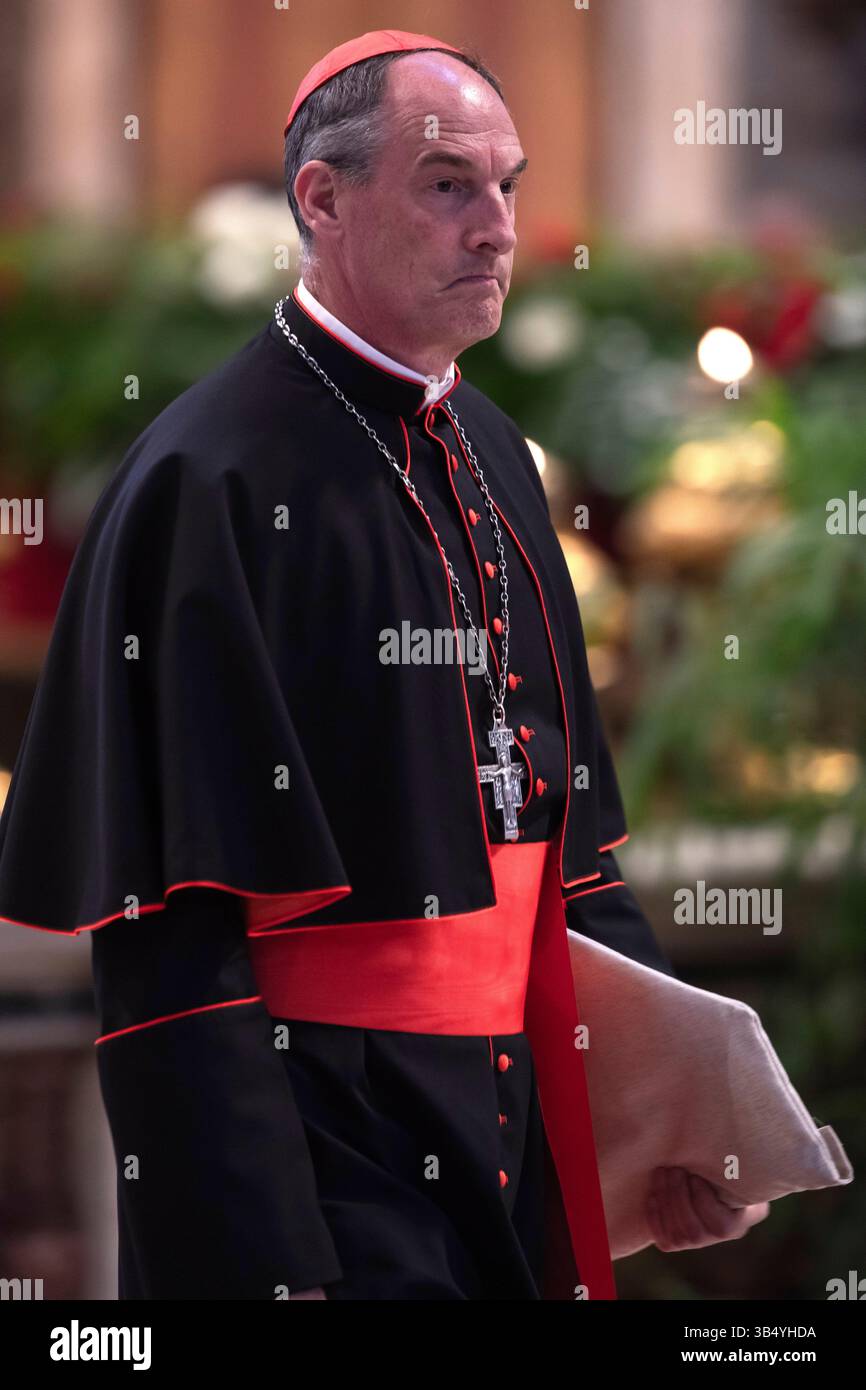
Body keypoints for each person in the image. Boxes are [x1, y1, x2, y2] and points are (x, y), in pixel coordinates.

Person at [0, 29, 767, 1301]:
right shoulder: (211, 483)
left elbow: (567, 866)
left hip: (511, 1137)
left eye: (507, 186)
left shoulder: (500, 457)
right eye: (448, 183)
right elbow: (170, 942)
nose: (497, 228)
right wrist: (262, 1262)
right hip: (324, 1149)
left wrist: (668, 1127)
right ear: (322, 199)